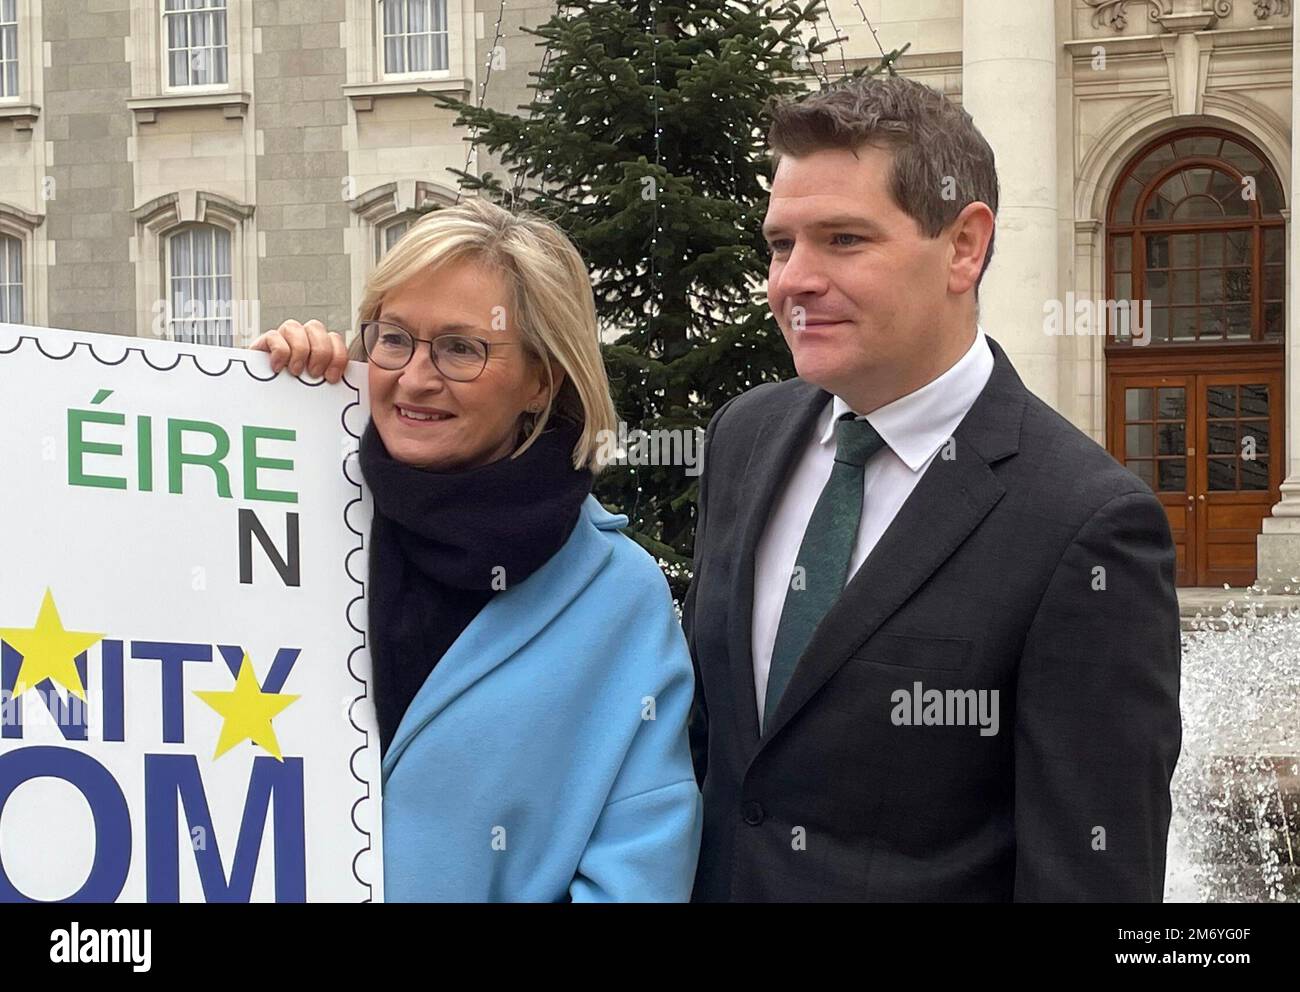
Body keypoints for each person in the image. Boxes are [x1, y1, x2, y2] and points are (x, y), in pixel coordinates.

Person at [684, 75, 1181, 901]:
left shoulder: (1087, 525)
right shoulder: (745, 436)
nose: (793, 282)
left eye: (843, 240)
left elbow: (1094, 879)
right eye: (781, 244)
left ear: (964, 247)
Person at [251, 197, 701, 901]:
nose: (415, 376)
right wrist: (251, 405)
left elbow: (637, 871)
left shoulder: (620, 597)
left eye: (461, 348)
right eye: (394, 338)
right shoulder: (291, 508)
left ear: (541, 379)